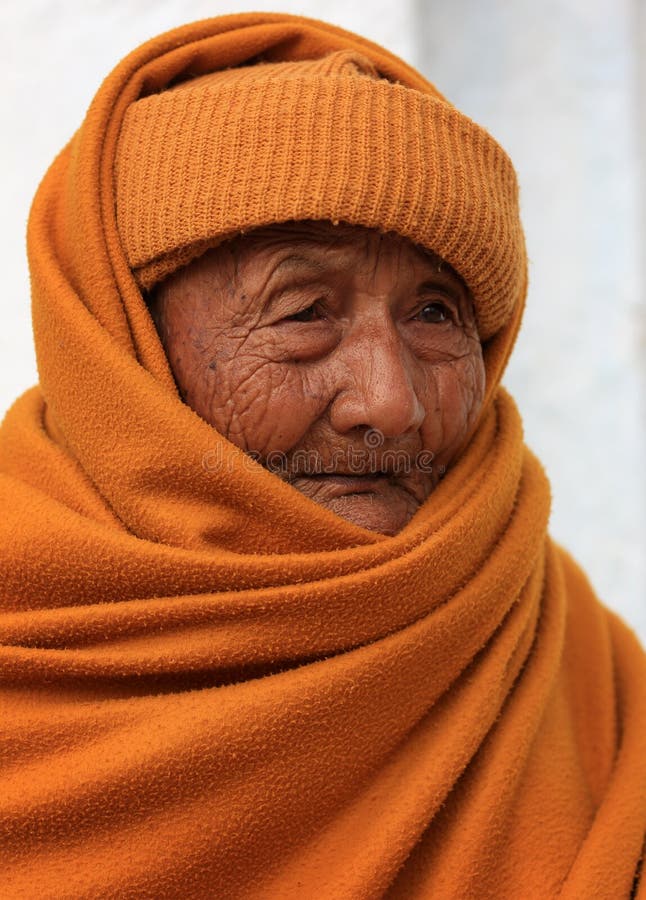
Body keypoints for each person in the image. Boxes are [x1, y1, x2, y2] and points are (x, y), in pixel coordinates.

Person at [0, 11, 644, 899]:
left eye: (434, 315)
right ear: (121, 345)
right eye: (304, 312)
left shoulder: (567, 657)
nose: (390, 403)